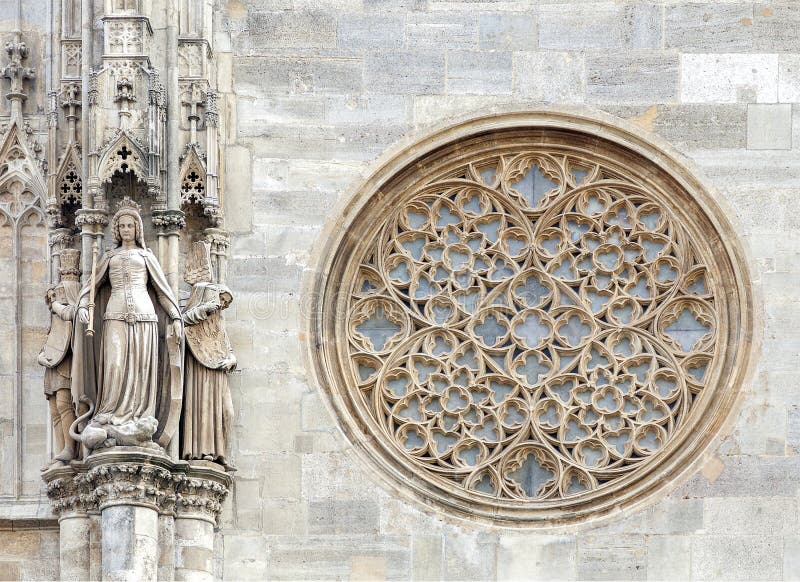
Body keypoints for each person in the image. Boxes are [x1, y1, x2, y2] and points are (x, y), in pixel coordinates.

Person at [72, 200, 183, 449]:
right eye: (121, 225)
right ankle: (110, 413)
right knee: (115, 365)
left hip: (144, 315)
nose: (125, 229)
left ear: (138, 228)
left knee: (140, 366)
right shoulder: (109, 257)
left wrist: (175, 316)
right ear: (116, 229)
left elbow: (163, 291)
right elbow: (91, 287)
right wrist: (81, 306)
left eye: (130, 225)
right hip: (115, 313)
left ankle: (139, 416)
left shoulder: (146, 257)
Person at [181, 241, 236, 468]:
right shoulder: (201, 313)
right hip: (201, 369)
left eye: (225, 303)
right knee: (201, 409)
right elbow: (183, 323)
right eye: (221, 301)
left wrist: (231, 358)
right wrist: (205, 310)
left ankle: (219, 452)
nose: (222, 306)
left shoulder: (219, 322)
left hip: (218, 371)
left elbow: (226, 346)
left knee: (227, 413)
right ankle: (202, 453)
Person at [38, 249, 80, 465]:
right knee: (55, 408)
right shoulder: (56, 314)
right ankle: (61, 451)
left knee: (64, 403)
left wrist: (56, 304)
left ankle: (69, 448)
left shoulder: (67, 308)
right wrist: (42, 355)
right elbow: (52, 336)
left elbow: (72, 315)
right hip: (53, 363)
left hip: (69, 360)